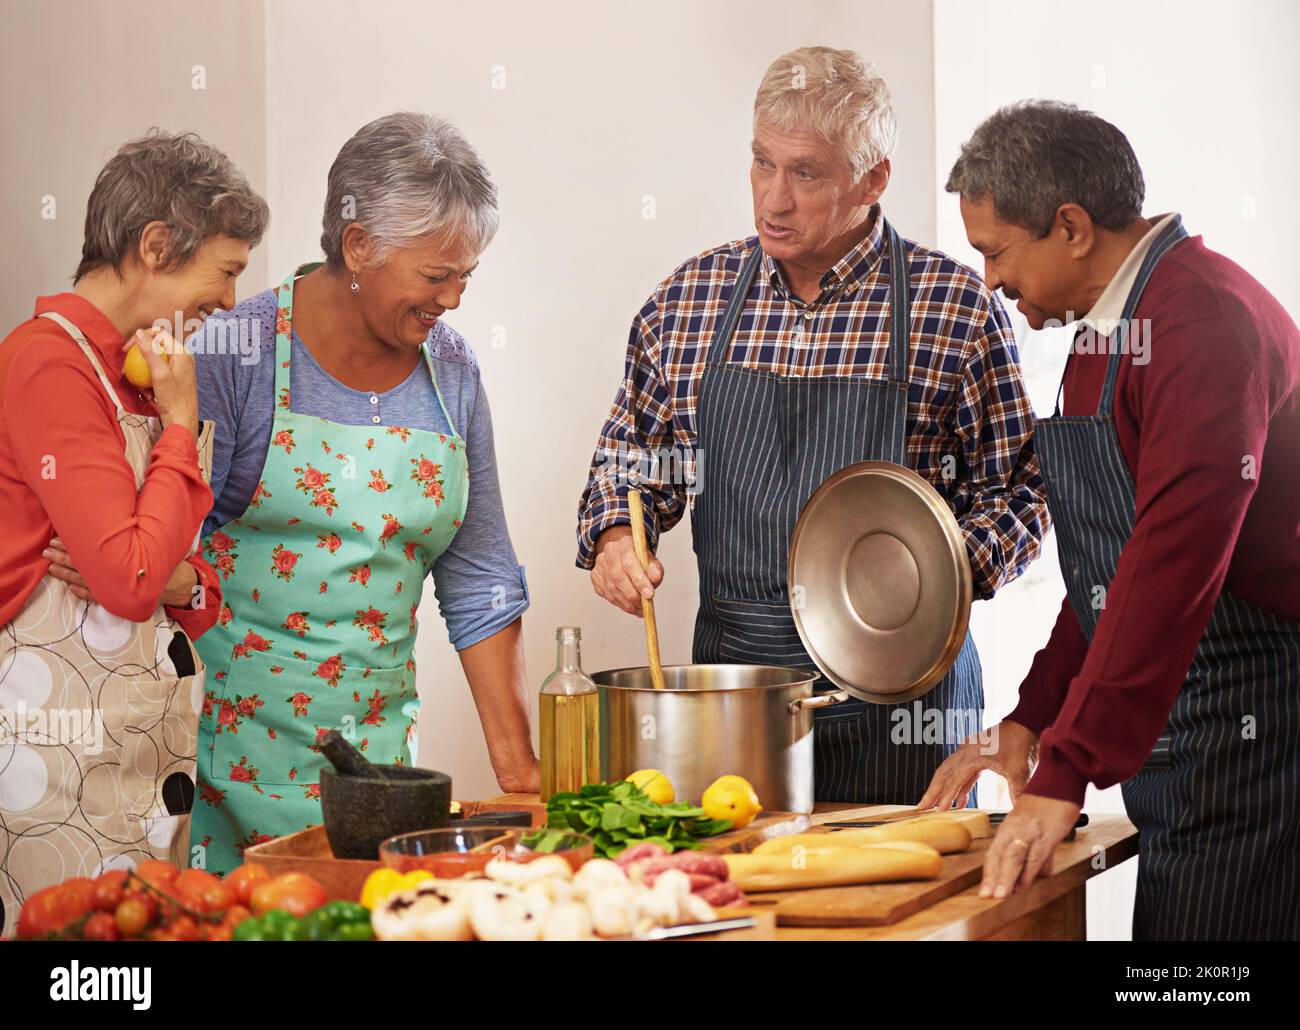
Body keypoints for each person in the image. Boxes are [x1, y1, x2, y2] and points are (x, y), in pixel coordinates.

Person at [576, 48, 1048, 804]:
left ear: (873, 178)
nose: (774, 199)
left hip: (907, 704)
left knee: (903, 913)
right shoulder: (687, 300)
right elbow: (633, 462)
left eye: (806, 173)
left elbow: (1021, 491)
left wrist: (936, 578)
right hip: (737, 702)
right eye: (762, 164)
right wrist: (614, 537)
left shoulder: (955, 309)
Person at [923, 101, 1300, 940]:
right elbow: (1110, 566)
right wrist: (1033, 718)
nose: (989, 280)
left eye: (994, 251)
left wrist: (1068, 770)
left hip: (1256, 726)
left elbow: (1169, 570)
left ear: (1071, 227)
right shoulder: (1106, 337)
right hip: (1186, 722)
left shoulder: (1201, 324)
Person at [189, 112, 537, 874]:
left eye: (465, 278)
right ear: (358, 248)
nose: (453, 300)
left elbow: (479, 580)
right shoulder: (233, 353)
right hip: (230, 776)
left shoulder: (452, 370)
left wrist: (523, 783)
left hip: (378, 786)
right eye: (436, 276)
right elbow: (161, 554)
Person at [0, 130, 267, 934]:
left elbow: (182, 578)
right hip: (53, 756)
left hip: (140, 757)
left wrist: (180, 579)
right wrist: (182, 424)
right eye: (225, 271)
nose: (228, 301)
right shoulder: (47, 363)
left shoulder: (135, 375)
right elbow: (130, 580)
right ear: (155, 246)